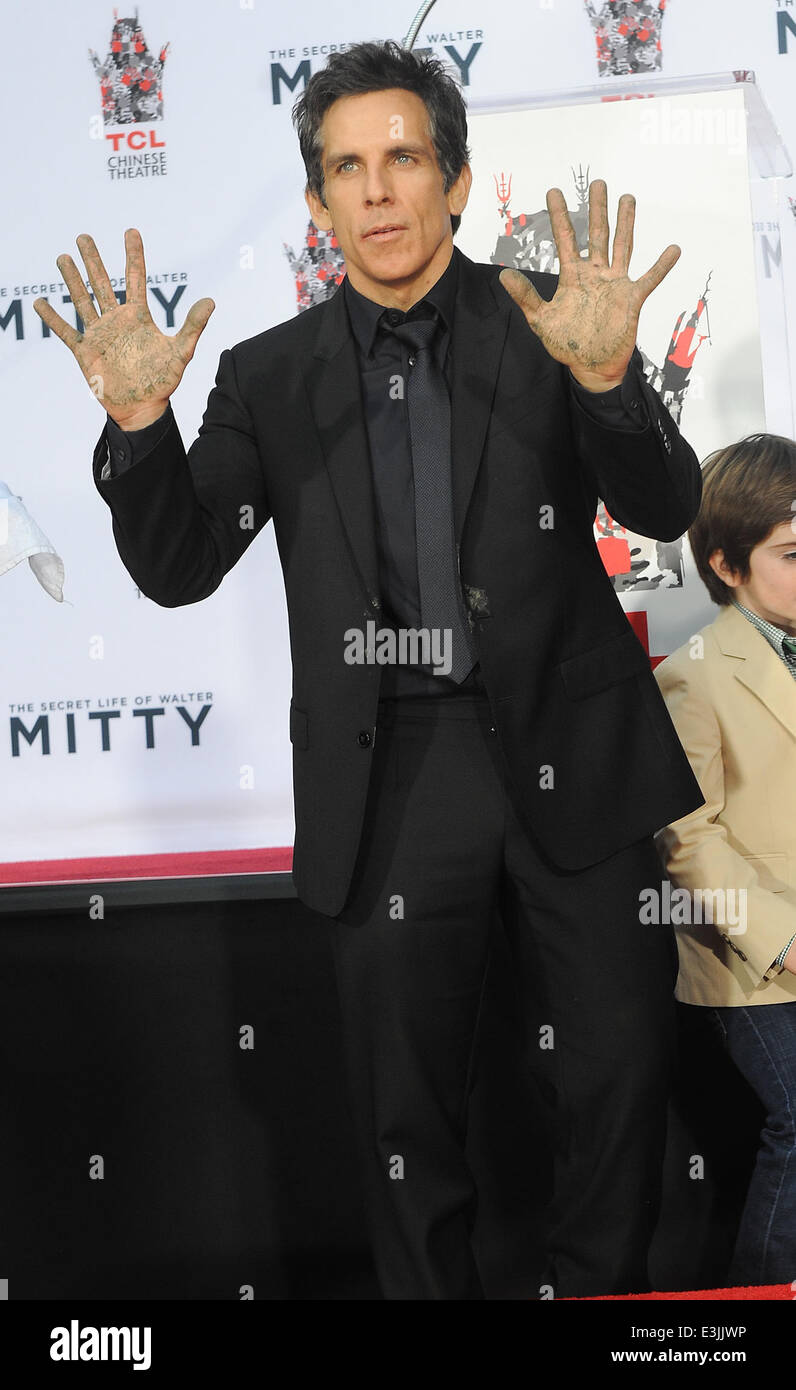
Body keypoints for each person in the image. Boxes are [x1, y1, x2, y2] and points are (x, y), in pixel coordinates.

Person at [33, 39, 704, 1300]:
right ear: (317, 201)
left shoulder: (556, 317)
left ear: (455, 180)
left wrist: (610, 379)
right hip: (391, 768)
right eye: (348, 167)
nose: (378, 190)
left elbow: (664, 507)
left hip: (573, 746)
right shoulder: (267, 376)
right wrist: (137, 428)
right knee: (405, 1119)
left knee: (619, 1080)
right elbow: (182, 567)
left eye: (403, 159)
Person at [653, 434, 796, 1287]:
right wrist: (782, 939)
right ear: (726, 564)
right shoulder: (692, 678)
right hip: (757, 970)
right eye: (791, 553)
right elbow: (687, 840)